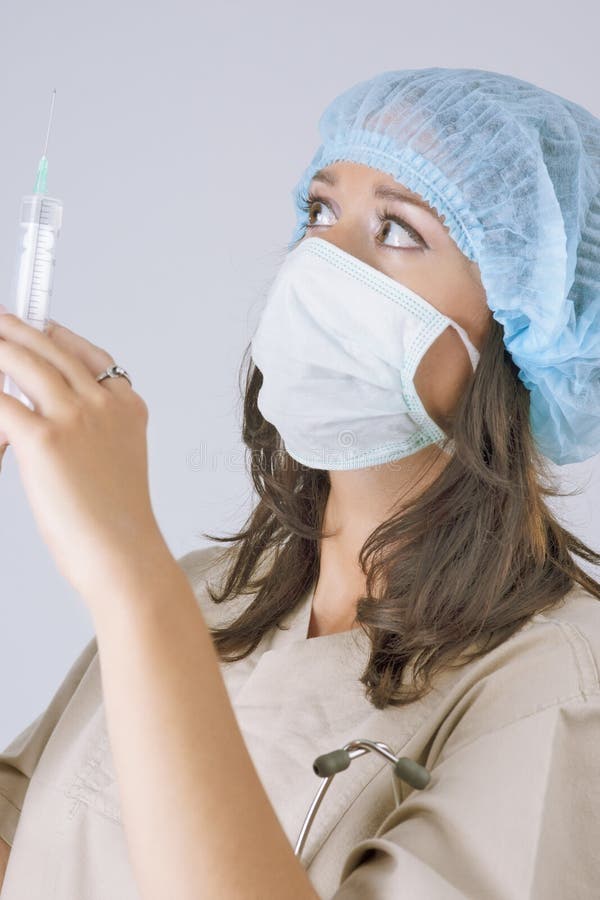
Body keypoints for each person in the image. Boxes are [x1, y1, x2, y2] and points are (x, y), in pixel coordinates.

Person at [1, 66, 600, 899]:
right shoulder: (212, 594)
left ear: (523, 324)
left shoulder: (558, 686)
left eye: (397, 228)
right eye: (320, 209)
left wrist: (126, 572)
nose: (322, 258)